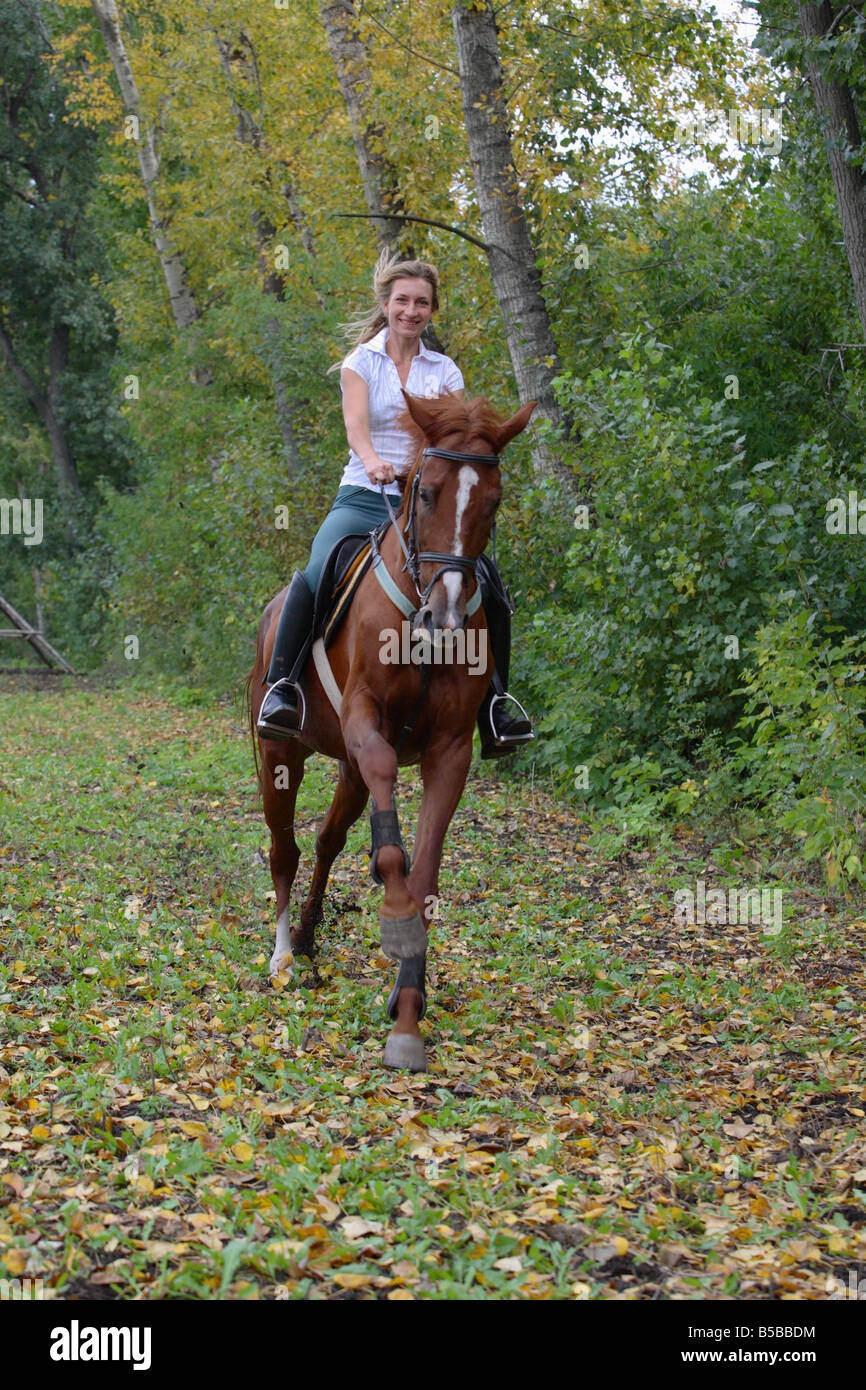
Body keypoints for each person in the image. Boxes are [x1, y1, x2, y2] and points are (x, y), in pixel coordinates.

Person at [256, 249, 533, 757]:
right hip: (366, 493)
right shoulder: (360, 363)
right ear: (386, 304)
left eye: (422, 303)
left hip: (428, 504)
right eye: (403, 300)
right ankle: (283, 689)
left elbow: (459, 437)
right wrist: (373, 459)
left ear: (432, 310)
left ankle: (497, 705)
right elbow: (356, 426)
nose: (412, 311)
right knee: (316, 572)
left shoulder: (444, 369)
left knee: (487, 582)